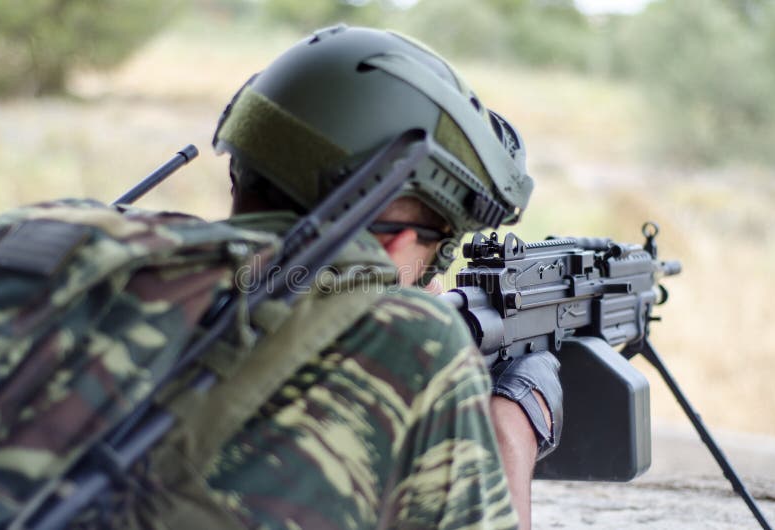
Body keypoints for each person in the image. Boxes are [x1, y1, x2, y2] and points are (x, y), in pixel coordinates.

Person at [193, 25, 563, 530]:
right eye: (439, 248)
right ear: (391, 243)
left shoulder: (119, 268)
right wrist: (511, 425)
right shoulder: (414, 348)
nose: (434, 279)